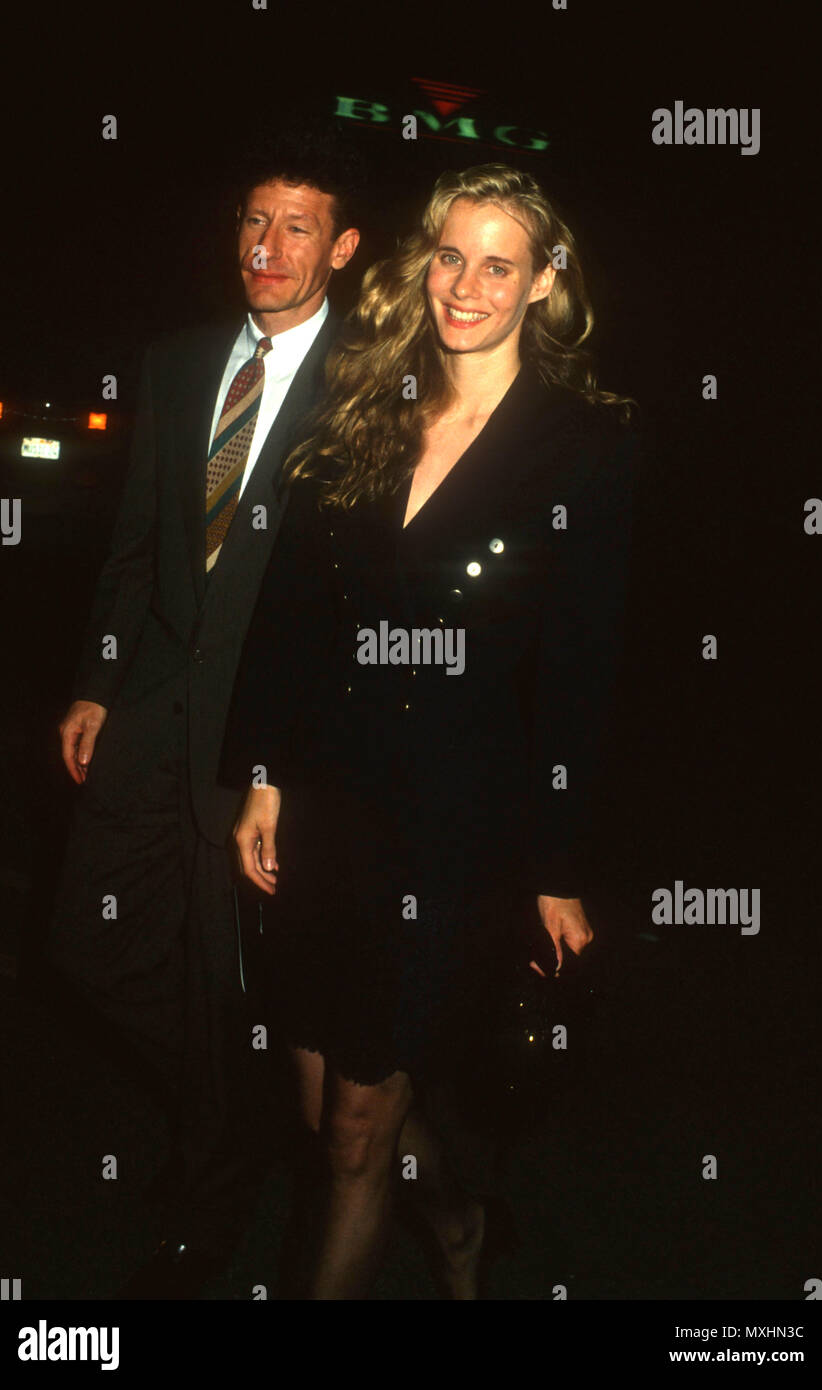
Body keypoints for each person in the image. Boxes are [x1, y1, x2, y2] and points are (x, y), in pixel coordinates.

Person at [219, 163, 640, 1299]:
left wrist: (557, 866)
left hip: (453, 824)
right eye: (450, 255)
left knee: (357, 1129)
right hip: (326, 802)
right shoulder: (368, 398)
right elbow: (294, 608)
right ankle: (455, 1217)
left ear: (542, 283)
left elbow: (580, 674)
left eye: (498, 263)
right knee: (329, 1115)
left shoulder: (584, 444)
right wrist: (262, 775)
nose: (466, 284)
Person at [46, 124, 362, 1298]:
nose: (266, 247)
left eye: (295, 227)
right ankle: (250, 1108)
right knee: (88, 947)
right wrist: (95, 677)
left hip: (265, 734)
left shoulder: (367, 382)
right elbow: (134, 547)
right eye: (253, 220)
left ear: (341, 247)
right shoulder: (182, 362)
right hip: (151, 702)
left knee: (218, 976)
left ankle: (209, 1195)